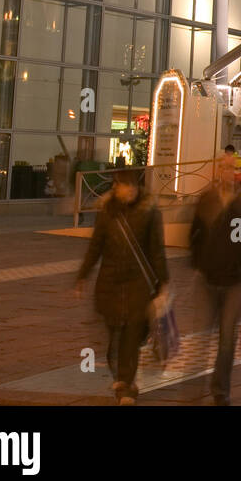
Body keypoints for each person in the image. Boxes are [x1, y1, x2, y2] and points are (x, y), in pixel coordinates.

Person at [75, 168, 168, 405]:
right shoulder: (107, 212)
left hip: (138, 283)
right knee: (114, 333)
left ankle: (127, 386)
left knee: (132, 334)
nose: (128, 191)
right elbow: (96, 245)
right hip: (110, 282)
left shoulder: (149, 212)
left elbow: (157, 251)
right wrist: (83, 275)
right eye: (123, 186)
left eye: (132, 186)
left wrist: (163, 282)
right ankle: (119, 374)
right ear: (116, 187)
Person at [189, 164, 241, 405]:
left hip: (237, 280)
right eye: (221, 168)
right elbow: (194, 234)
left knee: (226, 338)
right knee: (201, 336)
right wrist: (198, 262)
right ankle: (193, 387)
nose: (225, 173)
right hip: (208, 279)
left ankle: (220, 390)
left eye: (229, 169)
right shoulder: (206, 200)